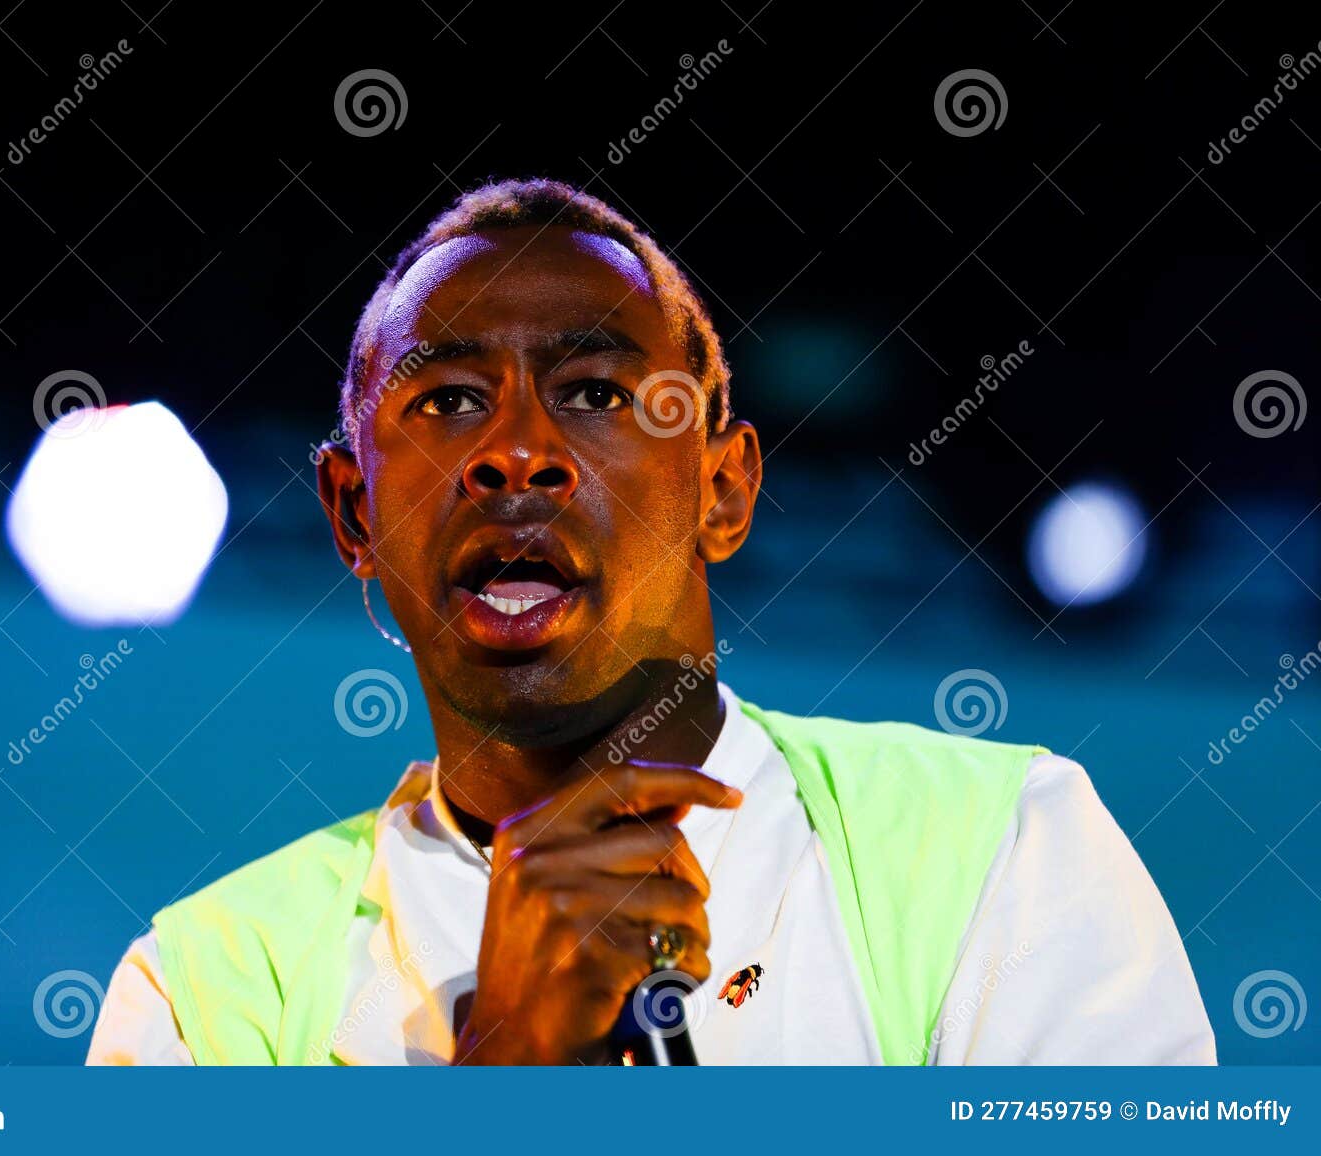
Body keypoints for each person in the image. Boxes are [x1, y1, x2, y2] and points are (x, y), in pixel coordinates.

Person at [87, 178, 1215, 1065]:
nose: (515, 451)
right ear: (353, 514)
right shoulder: (203, 991)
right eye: (445, 400)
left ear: (721, 490)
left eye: (592, 393)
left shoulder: (1001, 845)